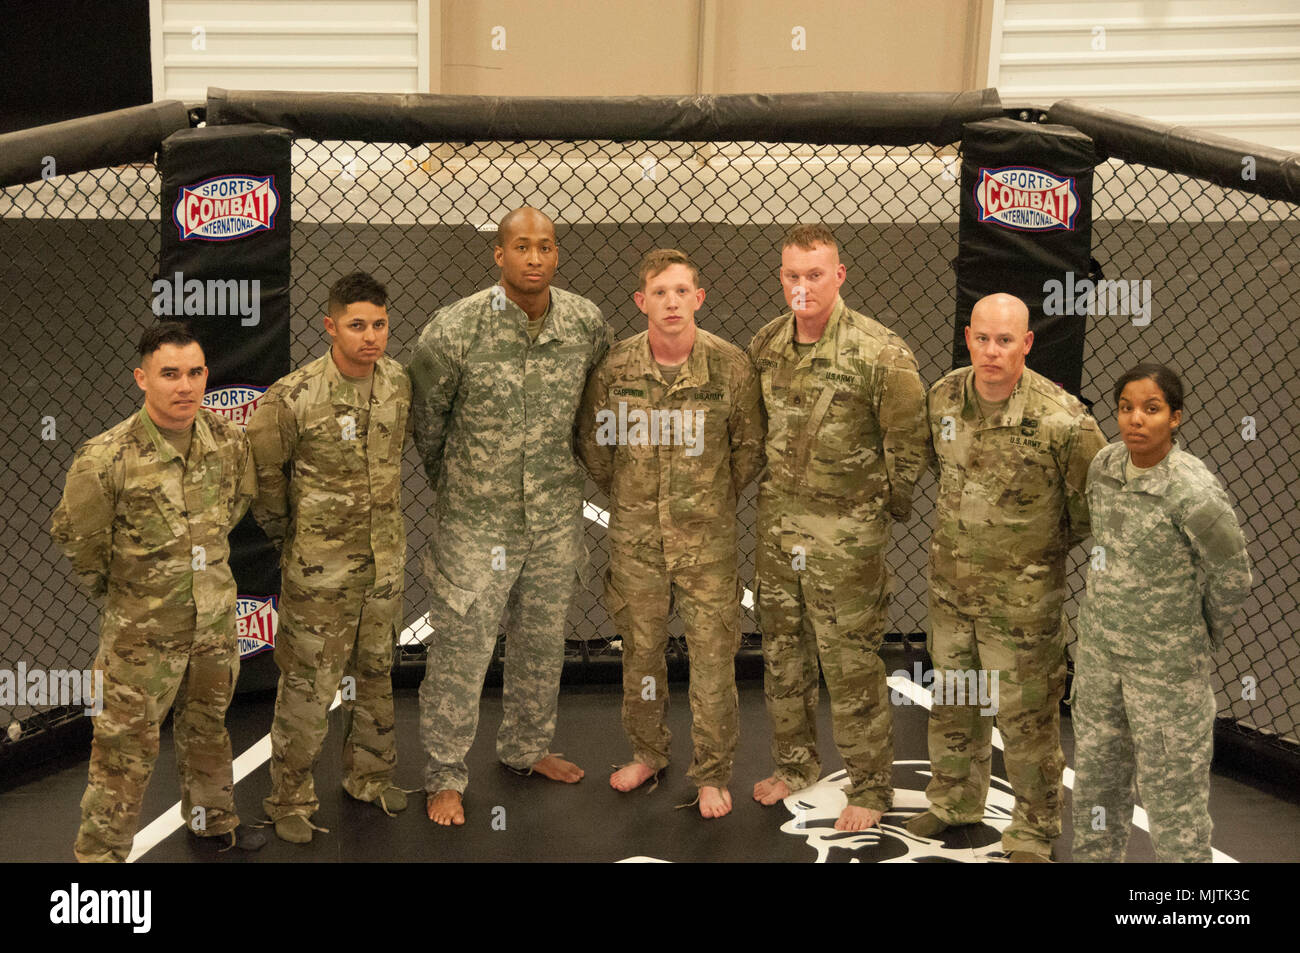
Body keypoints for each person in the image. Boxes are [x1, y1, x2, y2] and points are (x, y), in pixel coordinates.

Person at [409, 206, 612, 826]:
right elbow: (429, 423)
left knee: (542, 640)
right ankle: (444, 775)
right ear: (499, 256)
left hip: (554, 514)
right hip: (477, 520)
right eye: (521, 247)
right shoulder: (455, 329)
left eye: (545, 247)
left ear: (556, 255)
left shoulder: (584, 323)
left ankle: (526, 748)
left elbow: (592, 405)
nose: (534, 258)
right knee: (462, 648)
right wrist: (461, 485)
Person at [50, 321, 265, 861]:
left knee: (208, 728)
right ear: (142, 379)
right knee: (122, 753)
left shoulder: (227, 441)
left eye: (194, 373)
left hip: (213, 624)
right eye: (169, 374)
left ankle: (212, 821)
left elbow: (234, 509)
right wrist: (134, 593)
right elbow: (81, 542)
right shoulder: (106, 458)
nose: (184, 386)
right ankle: (99, 862)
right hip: (140, 640)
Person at [913, 292, 1106, 861]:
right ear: (968, 336)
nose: (991, 352)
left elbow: (1090, 509)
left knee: (1026, 721)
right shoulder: (943, 396)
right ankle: (954, 802)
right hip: (951, 594)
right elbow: (939, 468)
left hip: (1023, 606)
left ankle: (1034, 829)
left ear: (1026, 343)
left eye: (1005, 341)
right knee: (954, 701)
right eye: (982, 338)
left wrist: (1027, 557)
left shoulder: (1062, 420)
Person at [748, 224, 929, 832]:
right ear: (781, 278)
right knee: (783, 656)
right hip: (779, 535)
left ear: (840, 275)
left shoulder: (881, 353)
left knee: (850, 664)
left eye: (815, 275)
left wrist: (875, 514)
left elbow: (909, 447)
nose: (802, 287)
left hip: (846, 542)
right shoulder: (767, 345)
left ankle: (872, 783)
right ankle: (795, 765)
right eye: (792, 276)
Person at [576, 249, 764, 818]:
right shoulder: (614, 369)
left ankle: (711, 772)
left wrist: (706, 499)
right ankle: (648, 752)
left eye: (682, 291)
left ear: (699, 298)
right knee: (642, 655)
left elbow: (749, 449)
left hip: (706, 544)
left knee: (713, 660)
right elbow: (595, 446)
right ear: (641, 302)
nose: (672, 301)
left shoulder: (729, 367)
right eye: (660, 292)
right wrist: (636, 497)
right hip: (636, 542)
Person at [246, 272, 412, 844]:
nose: (371, 337)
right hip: (319, 576)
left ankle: (369, 778)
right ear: (331, 326)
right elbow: (266, 486)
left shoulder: (398, 384)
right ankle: (289, 797)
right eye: (357, 325)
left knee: (377, 677)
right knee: (307, 690)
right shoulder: (292, 397)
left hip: (383, 568)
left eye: (380, 325)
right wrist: (300, 541)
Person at [1071, 364, 1251, 863]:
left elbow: (1232, 576)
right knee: (1097, 779)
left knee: (1173, 796)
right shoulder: (1105, 467)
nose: (1136, 420)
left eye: (1151, 409)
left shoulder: (1192, 491)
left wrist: (1194, 633)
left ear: (1175, 418)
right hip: (1102, 657)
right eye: (1126, 407)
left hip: (1167, 670)